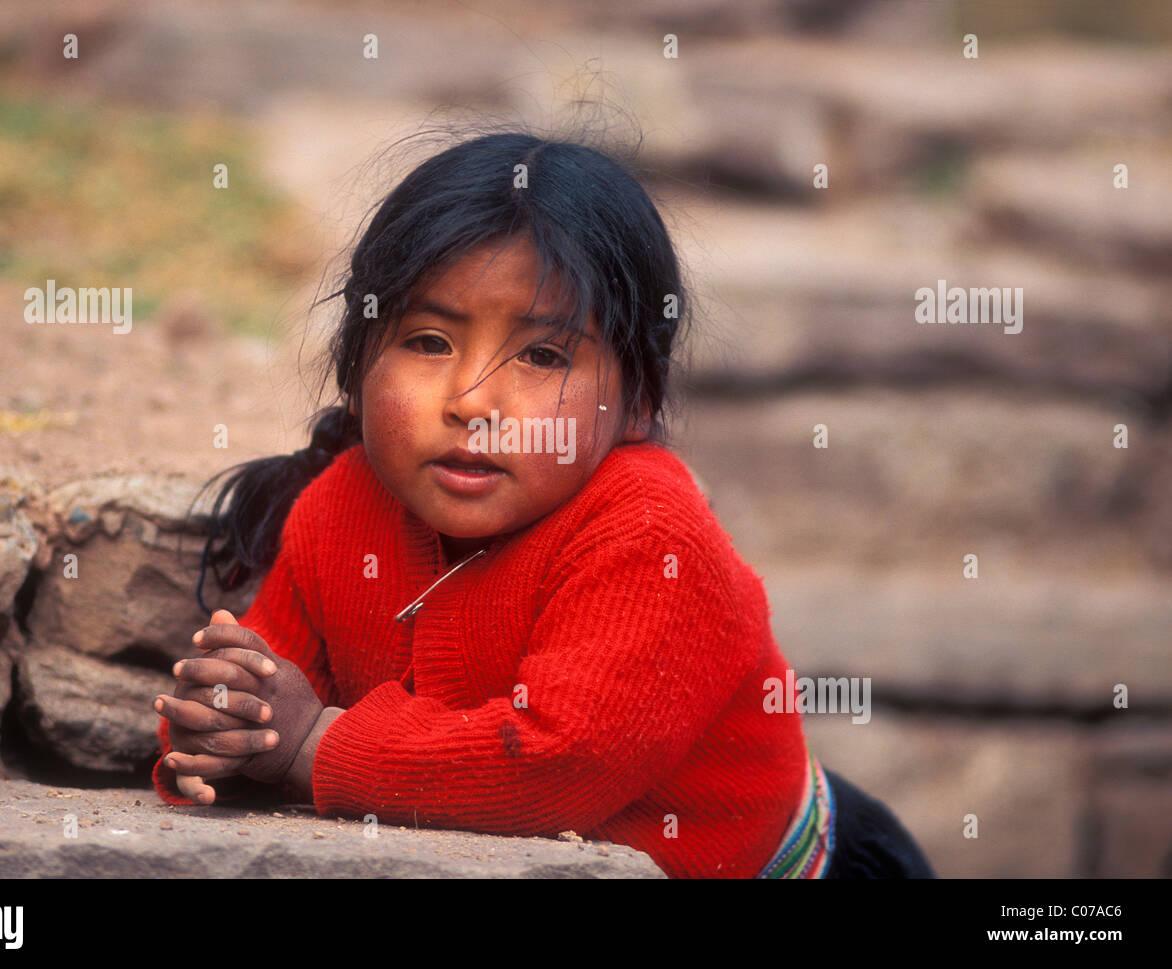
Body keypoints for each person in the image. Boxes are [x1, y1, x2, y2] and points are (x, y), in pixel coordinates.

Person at [150, 131, 934, 878]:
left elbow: (560, 763)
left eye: (542, 354)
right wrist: (221, 720)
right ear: (358, 365)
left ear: (637, 404)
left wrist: (313, 745)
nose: (472, 399)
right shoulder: (340, 507)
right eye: (429, 341)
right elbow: (262, 681)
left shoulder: (648, 532)